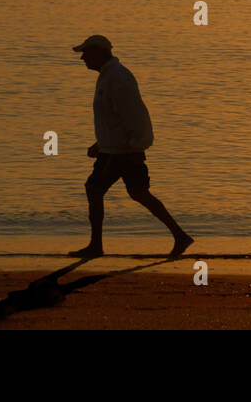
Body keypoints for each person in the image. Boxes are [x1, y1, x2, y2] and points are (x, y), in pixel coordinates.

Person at [67, 34, 193, 258]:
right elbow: (114, 118)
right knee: (138, 193)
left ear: (98, 52)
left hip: (123, 152)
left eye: (86, 53)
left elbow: (135, 116)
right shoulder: (108, 77)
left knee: (96, 189)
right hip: (113, 150)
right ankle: (180, 236)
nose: (83, 58)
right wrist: (100, 144)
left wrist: (135, 147)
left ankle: (96, 246)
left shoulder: (118, 78)